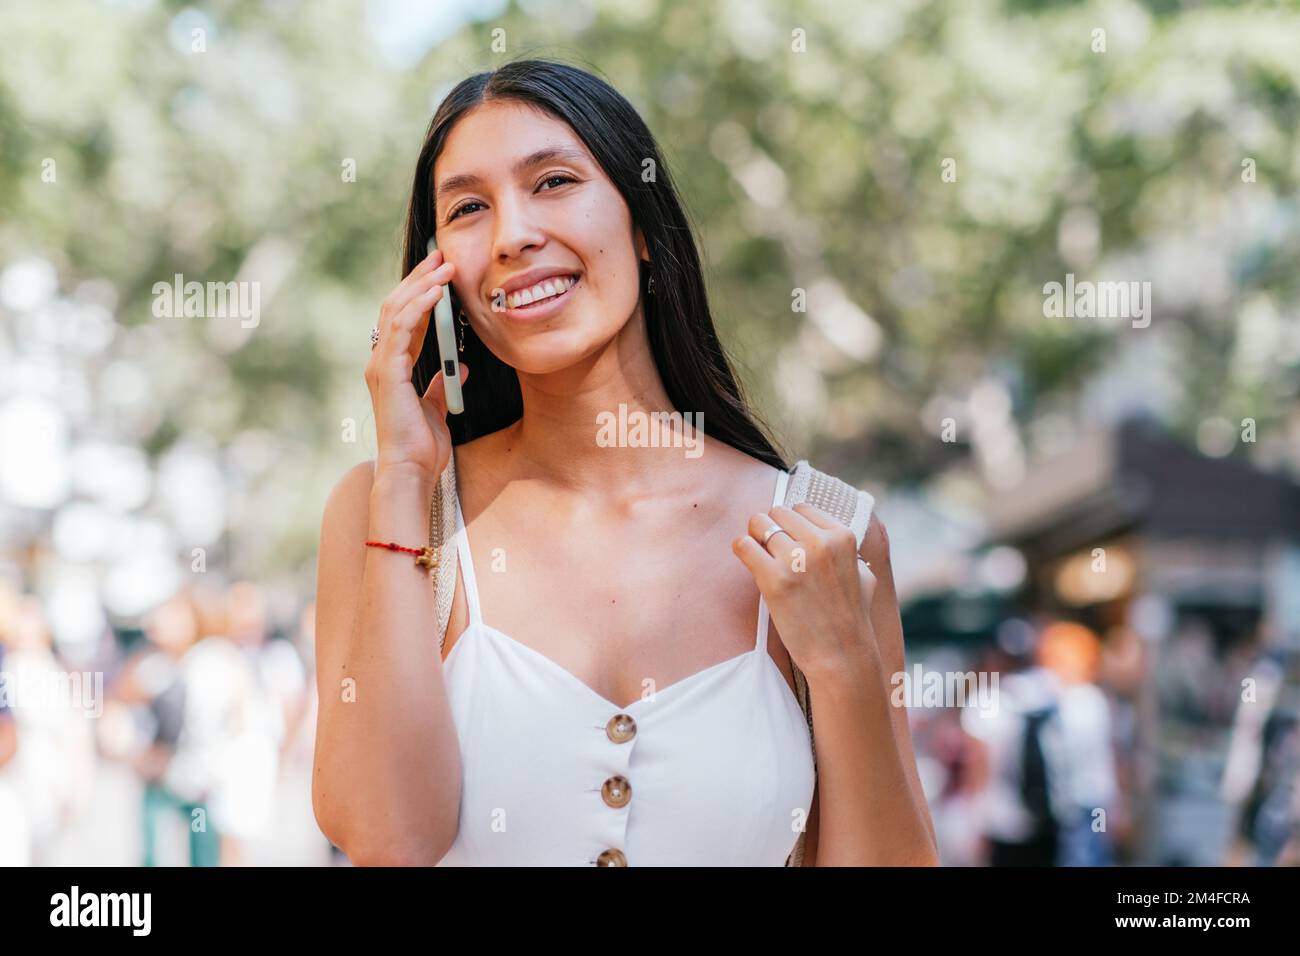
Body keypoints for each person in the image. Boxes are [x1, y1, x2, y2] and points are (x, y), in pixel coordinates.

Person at [313, 59, 937, 867]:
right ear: (440, 276)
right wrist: (402, 479)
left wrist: (843, 660)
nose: (512, 236)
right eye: (468, 208)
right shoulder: (391, 510)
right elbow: (390, 840)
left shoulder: (826, 537)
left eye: (555, 181)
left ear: (644, 227)